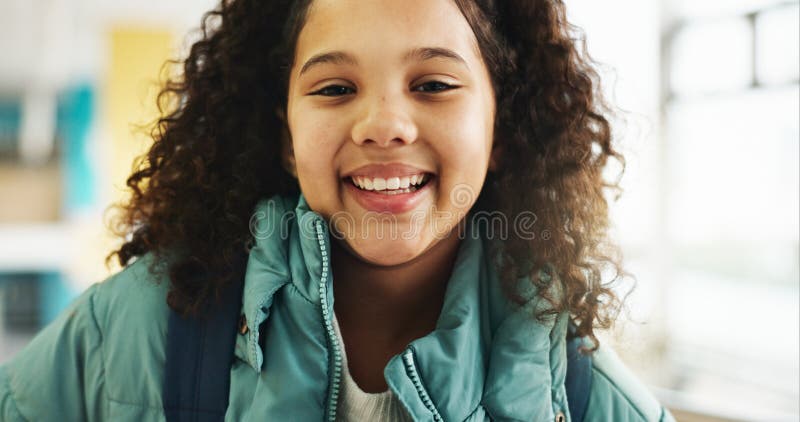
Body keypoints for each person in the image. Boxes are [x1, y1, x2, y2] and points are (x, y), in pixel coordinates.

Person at [0, 0, 675, 421]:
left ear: (502, 130)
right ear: (286, 138)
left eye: (434, 84)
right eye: (334, 88)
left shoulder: (582, 397)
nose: (383, 125)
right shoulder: (127, 332)